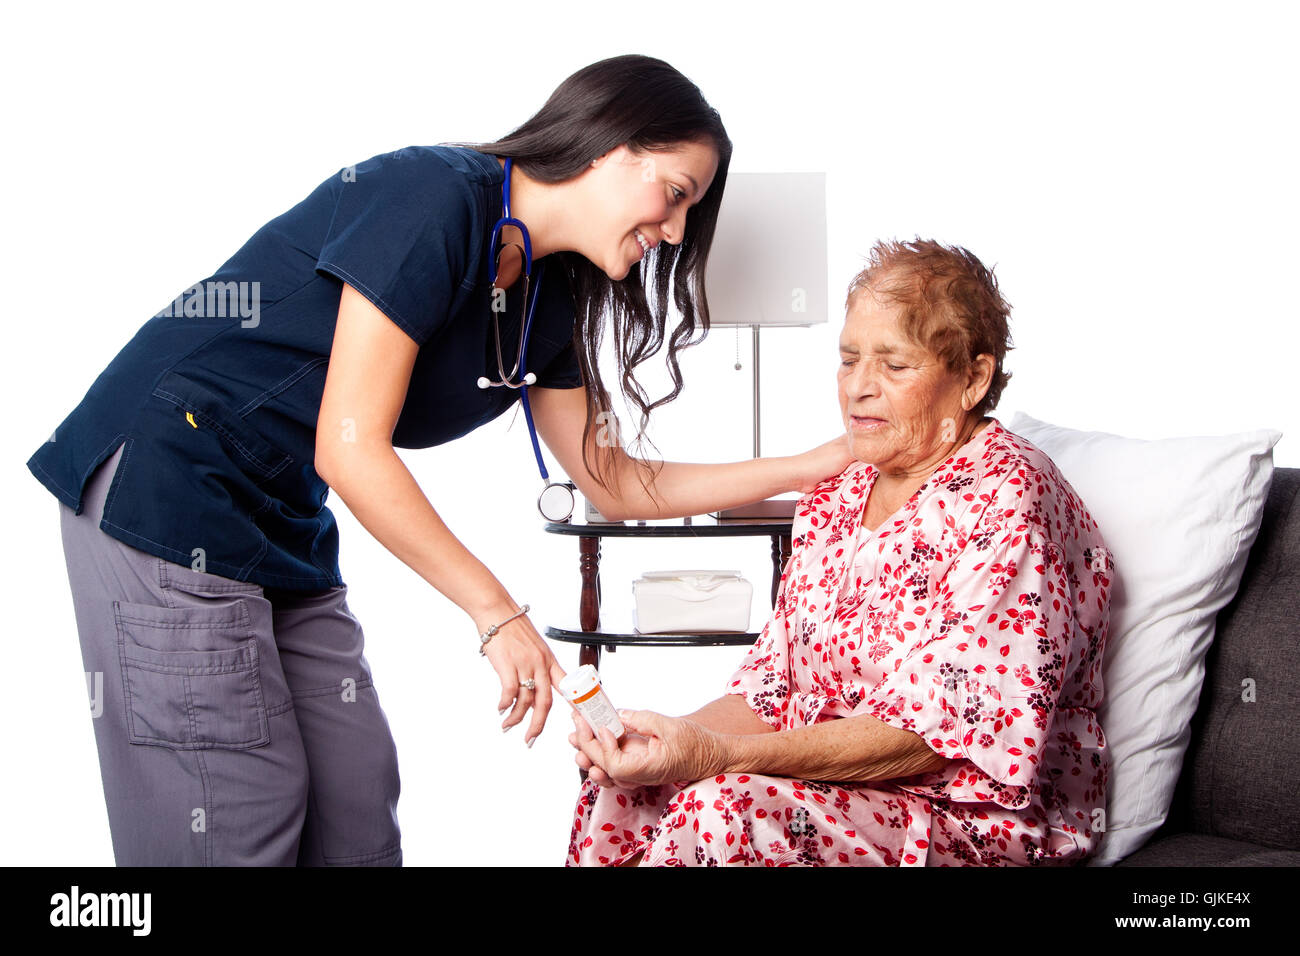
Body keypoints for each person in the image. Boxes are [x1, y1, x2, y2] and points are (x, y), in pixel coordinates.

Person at [29, 54, 854, 866]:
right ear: (609, 142)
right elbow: (350, 447)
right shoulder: (432, 196)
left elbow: (615, 481)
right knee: (242, 810)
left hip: (280, 516)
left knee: (356, 805)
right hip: (168, 479)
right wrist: (498, 614)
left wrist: (818, 462)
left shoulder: (551, 295)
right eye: (675, 195)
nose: (675, 232)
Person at [567, 238, 1113, 866]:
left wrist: (717, 757)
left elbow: (939, 739)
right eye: (849, 359)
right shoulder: (840, 489)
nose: (859, 388)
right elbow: (773, 688)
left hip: (964, 815)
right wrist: (659, 741)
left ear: (973, 378)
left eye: (895, 366)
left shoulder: (1010, 494)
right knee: (624, 792)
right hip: (833, 787)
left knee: (722, 807)